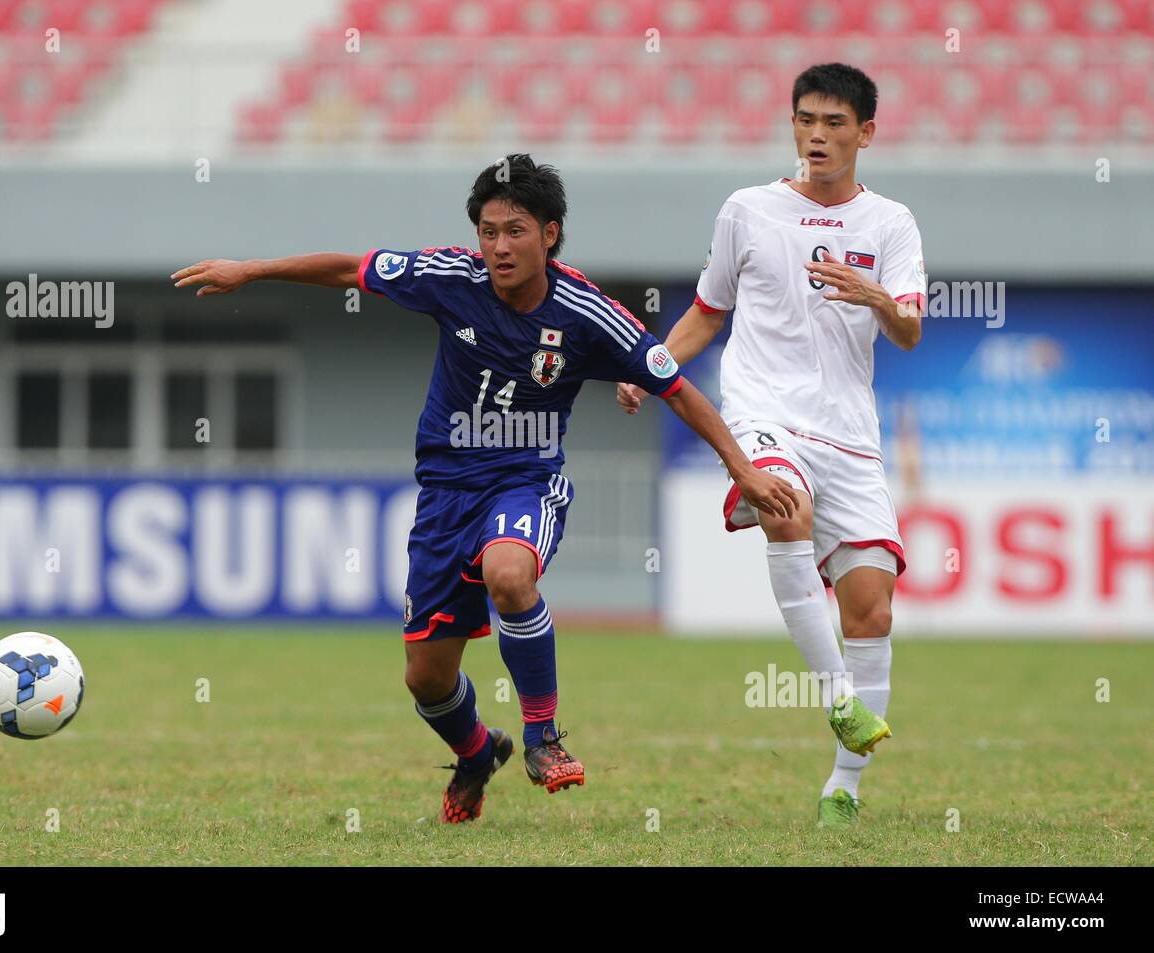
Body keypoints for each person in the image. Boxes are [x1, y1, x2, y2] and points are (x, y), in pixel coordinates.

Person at [174, 154, 798, 823]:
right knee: (427, 679)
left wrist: (742, 467)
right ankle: (476, 753)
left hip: (526, 481)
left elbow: (675, 387)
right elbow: (348, 268)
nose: (500, 246)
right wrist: (251, 271)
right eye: (489, 230)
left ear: (550, 234)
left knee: (509, 575)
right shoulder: (450, 277)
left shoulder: (589, 314)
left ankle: (543, 737)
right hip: (445, 493)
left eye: (516, 230)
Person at [618, 64, 927, 827]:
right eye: (805, 121)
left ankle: (844, 788)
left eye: (833, 124)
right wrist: (652, 365)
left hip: (850, 435)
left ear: (865, 133)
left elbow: (911, 330)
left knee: (872, 613)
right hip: (764, 412)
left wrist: (878, 298)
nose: (816, 136)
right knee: (782, 506)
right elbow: (706, 310)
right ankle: (837, 701)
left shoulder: (891, 223)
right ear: (792, 125)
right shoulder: (747, 211)